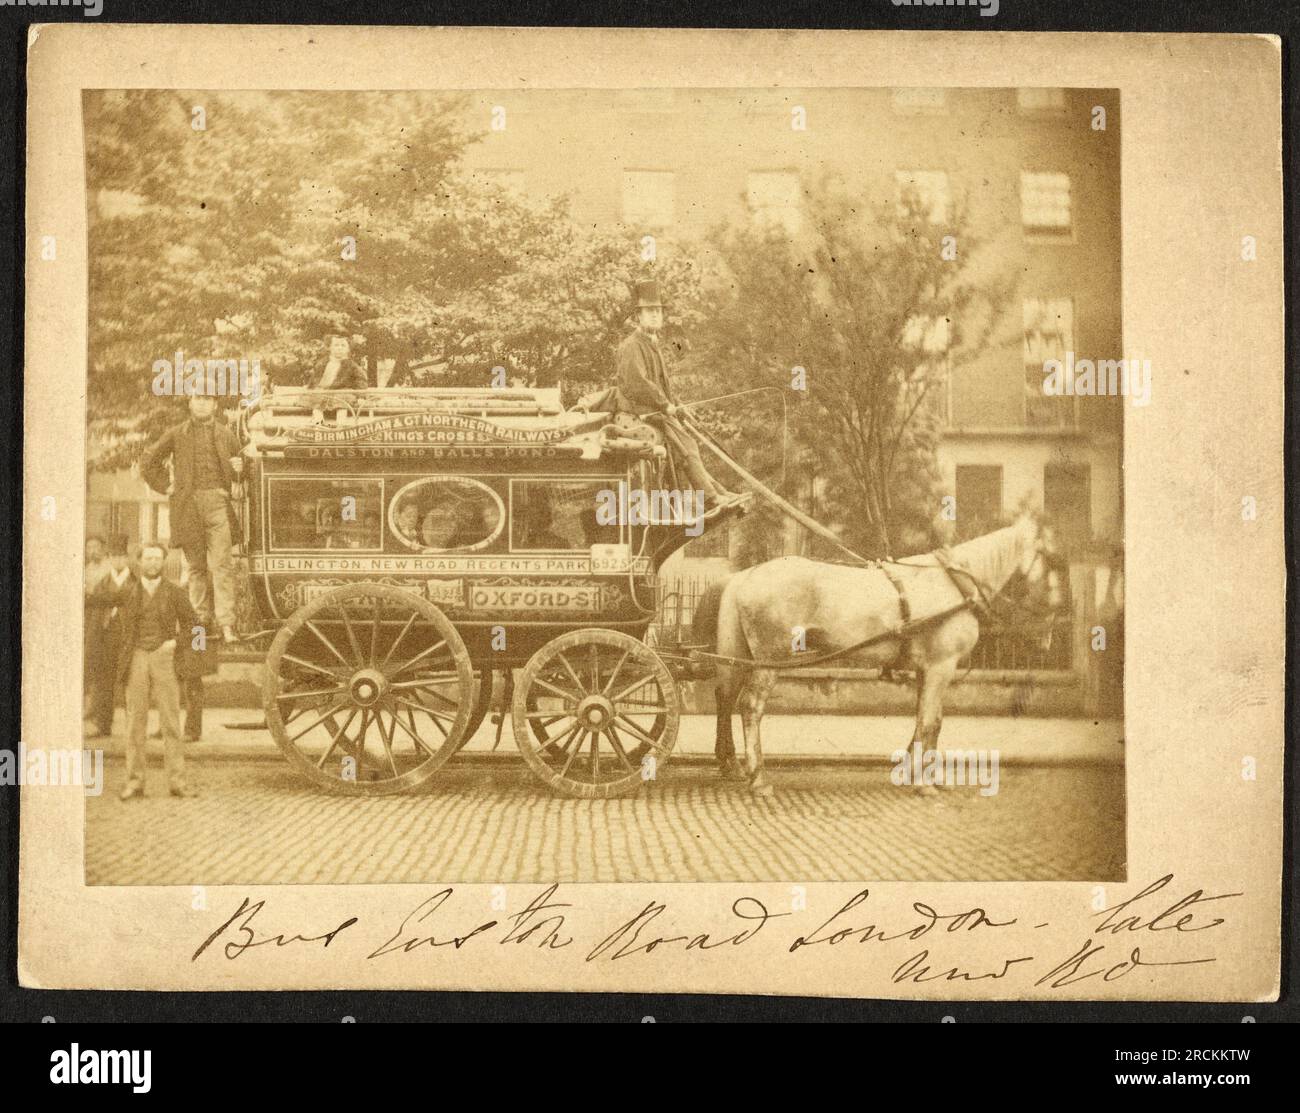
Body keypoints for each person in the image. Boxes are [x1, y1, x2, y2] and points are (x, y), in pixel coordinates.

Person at [608, 280, 742, 512]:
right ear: (638, 316)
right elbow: (638, 383)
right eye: (649, 312)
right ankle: (711, 497)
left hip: (654, 410)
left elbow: (663, 385)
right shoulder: (631, 346)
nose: (654, 316)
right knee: (685, 446)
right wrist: (666, 406)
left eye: (658, 312)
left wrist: (677, 405)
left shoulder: (652, 345)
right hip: (638, 412)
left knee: (689, 443)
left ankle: (718, 492)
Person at [93, 541, 200, 800]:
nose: (153, 563)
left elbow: (197, 628)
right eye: (148, 559)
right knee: (134, 724)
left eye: (157, 558)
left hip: (165, 658)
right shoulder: (128, 592)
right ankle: (134, 782)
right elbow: (95, 604)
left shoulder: (176, 593)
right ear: (139, 562)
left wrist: (178, 644)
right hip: (137, 659)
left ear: (163, 562)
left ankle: (178, 783)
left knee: (172, 724)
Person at [140, 395, 243, 645]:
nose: (202, 404)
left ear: (215, 405)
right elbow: (149, 462)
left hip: (217, 504)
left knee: (222, 565)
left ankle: (227, 624)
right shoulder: (176, 433)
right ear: (190, 403)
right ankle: (200, 622)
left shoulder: (227, 434)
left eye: (207, 399)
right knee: (196, 567)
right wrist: (167, 486)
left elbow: (244, 466)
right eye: (198, 399)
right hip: (188, 507)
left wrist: (240, 467)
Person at [83, 536, 114, 737]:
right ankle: (92, 709)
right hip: (89, 622)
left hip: (106, 623)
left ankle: (102, 719)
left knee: (104, 672)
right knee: (91, 667)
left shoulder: (109, 568)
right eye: (89, 548)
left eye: (96, 547)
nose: (93, 551)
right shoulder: (86, 570)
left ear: (103, 549)